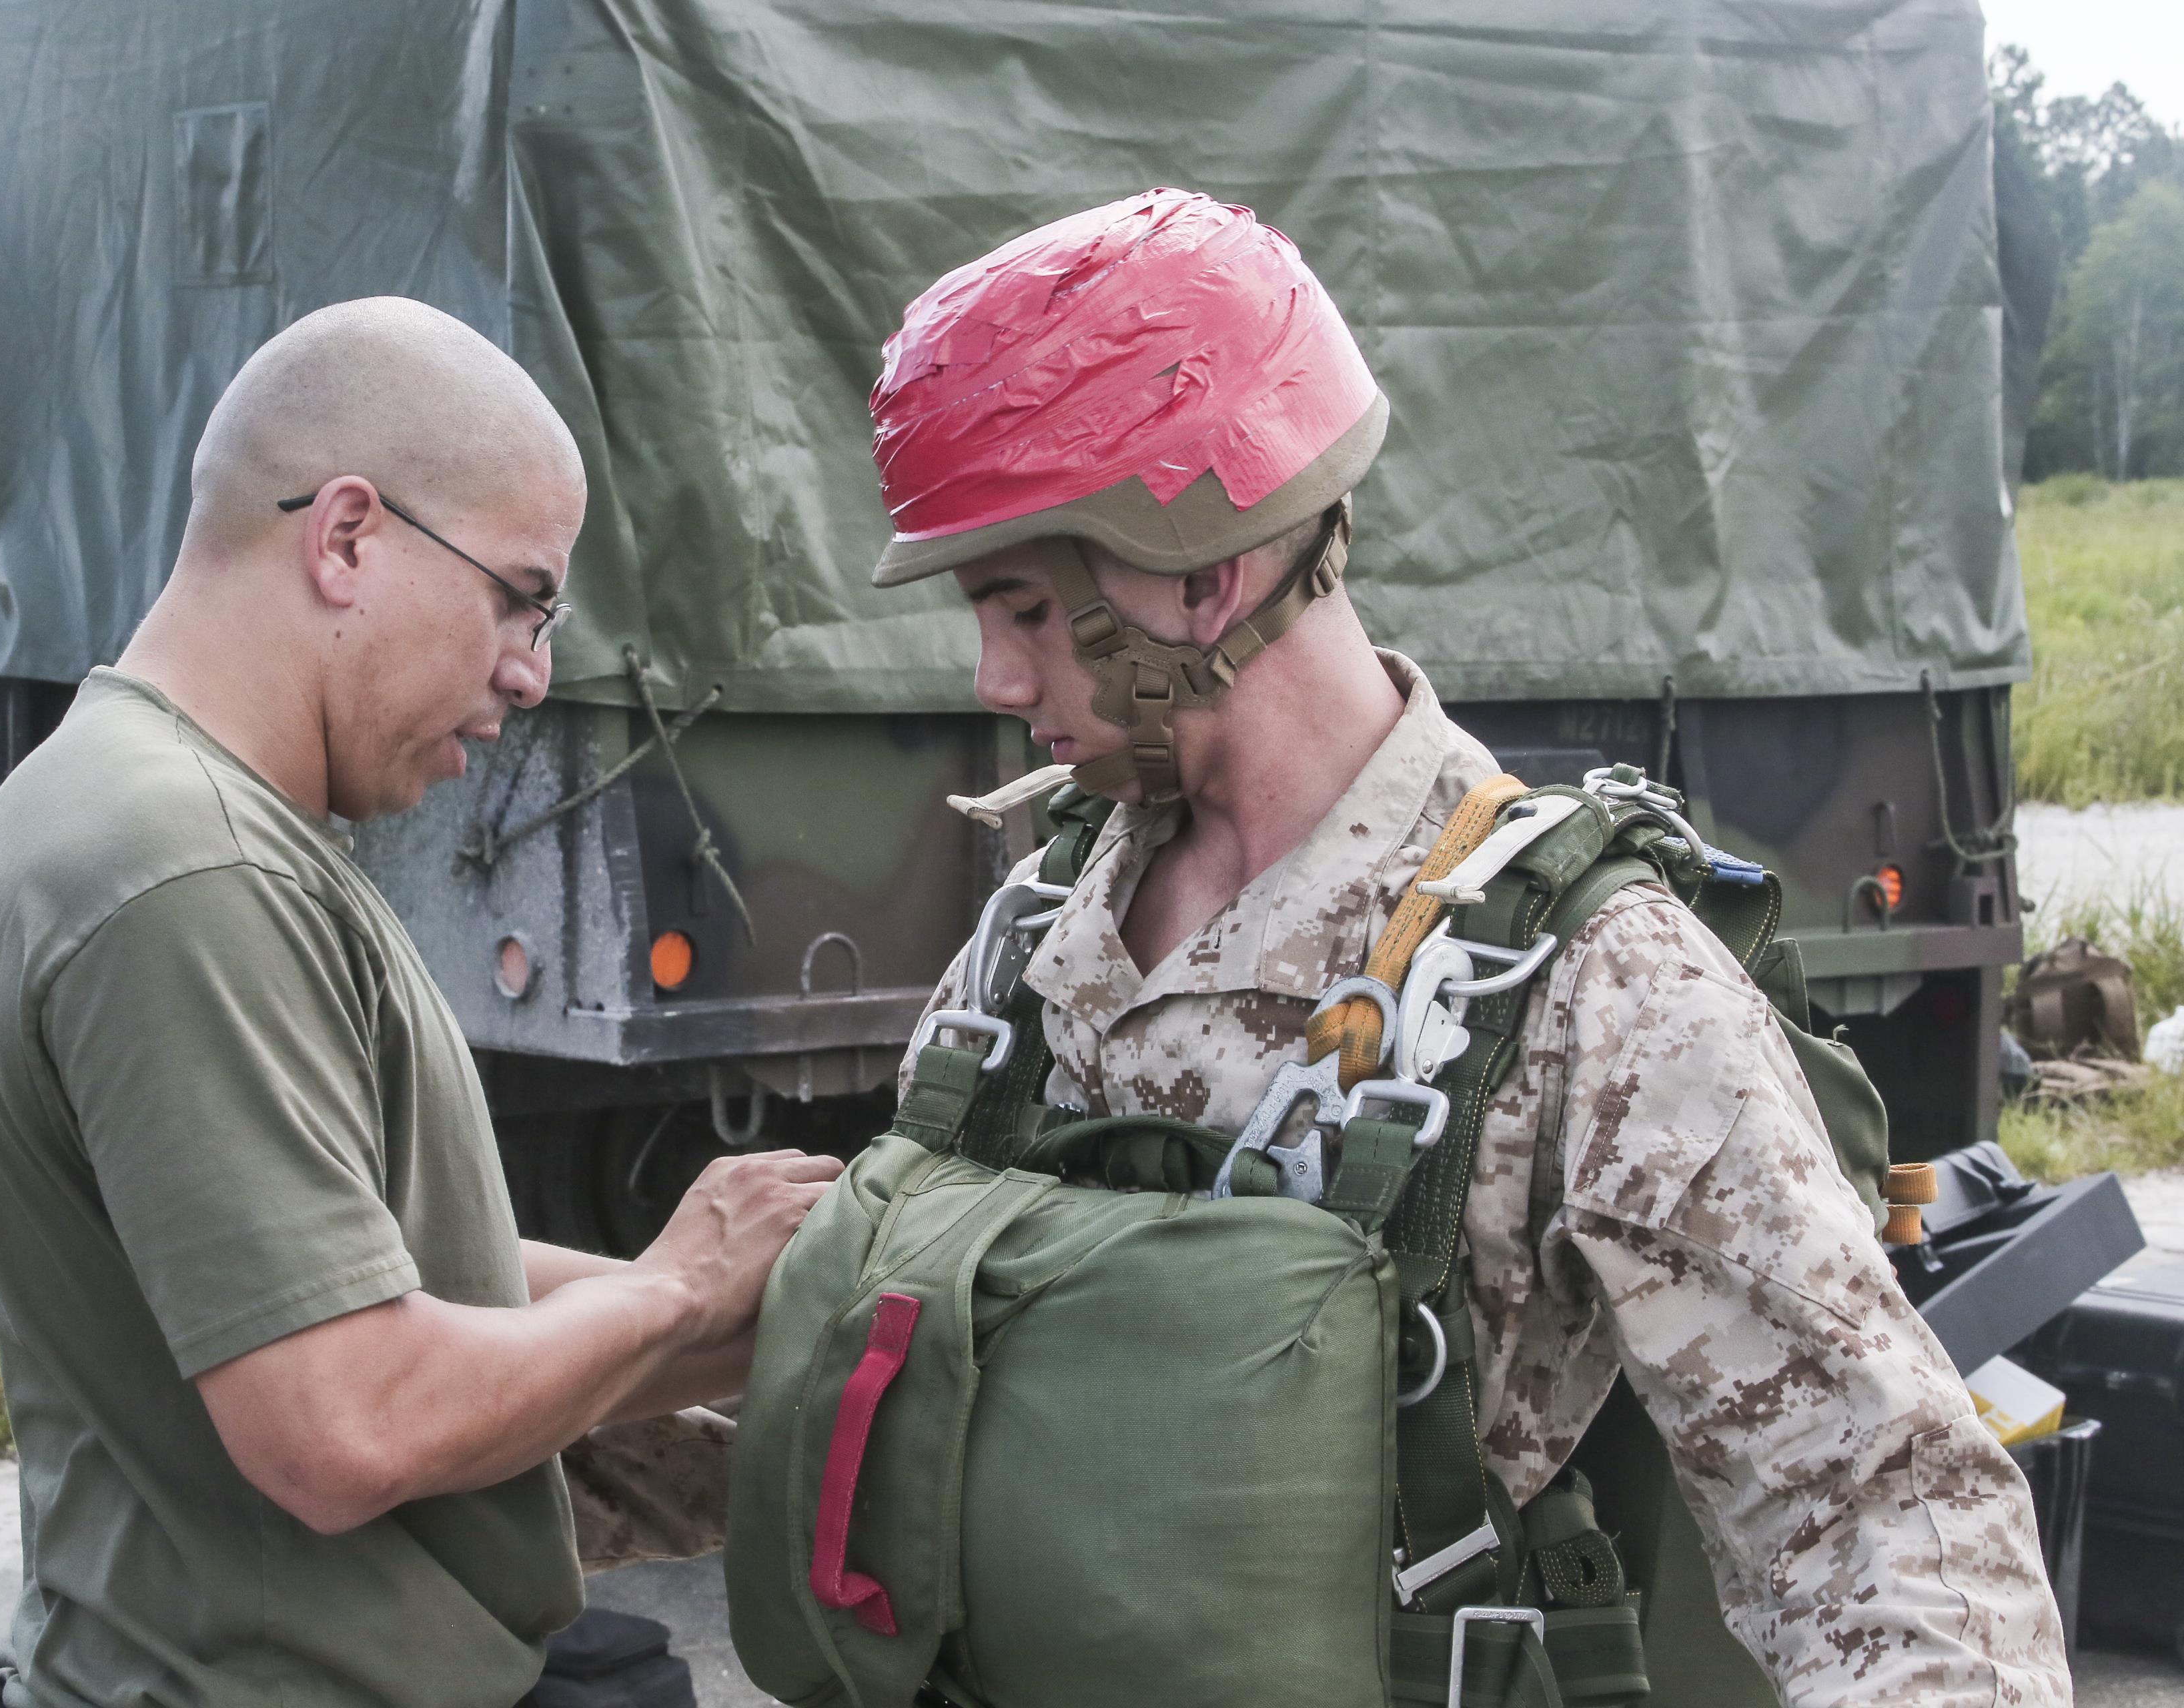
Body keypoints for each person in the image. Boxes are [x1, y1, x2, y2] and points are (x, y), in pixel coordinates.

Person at [870, 190, 2071, 1706]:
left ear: (1200, 573)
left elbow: (1883, 1515)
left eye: (1026, 605)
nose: (990, 672)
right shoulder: (1037, 930)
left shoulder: (1585, 979)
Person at [0, 296, 839, 1708]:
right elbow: (344, 1416)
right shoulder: (186, 866)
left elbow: (403, 1280)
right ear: (348, 535)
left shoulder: (157, 808)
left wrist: (779, 1302)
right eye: (520, 597)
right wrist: (671, 1283)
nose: (531, 670)